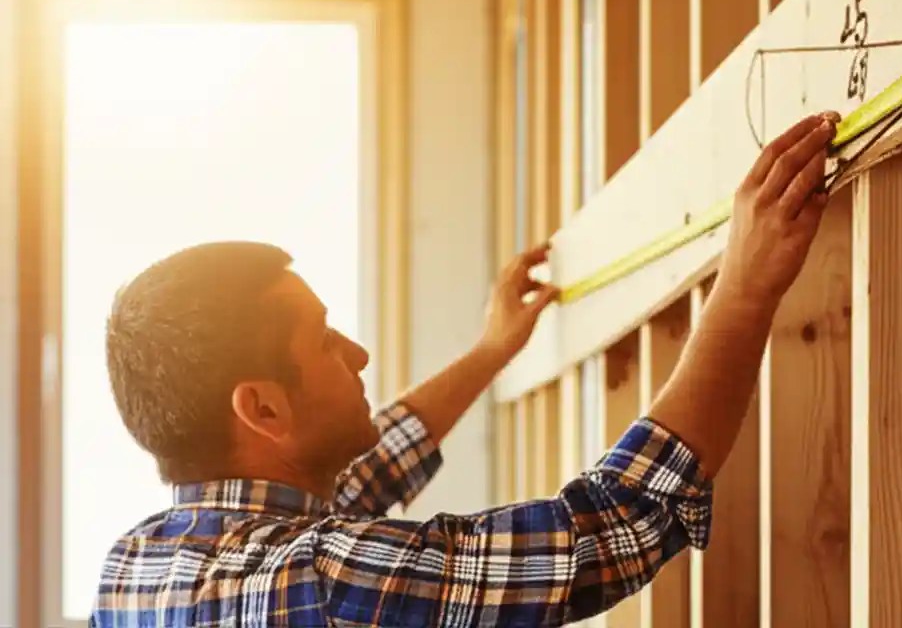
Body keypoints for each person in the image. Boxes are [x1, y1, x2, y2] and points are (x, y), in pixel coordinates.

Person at [90, 111, 840, 627]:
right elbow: (612, 528)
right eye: (324, 343)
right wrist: (743, 291)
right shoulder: (323, 581)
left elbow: (361, 471)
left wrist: (491, 352)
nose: (359, 355)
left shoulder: (134, 568)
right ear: (262, 410)